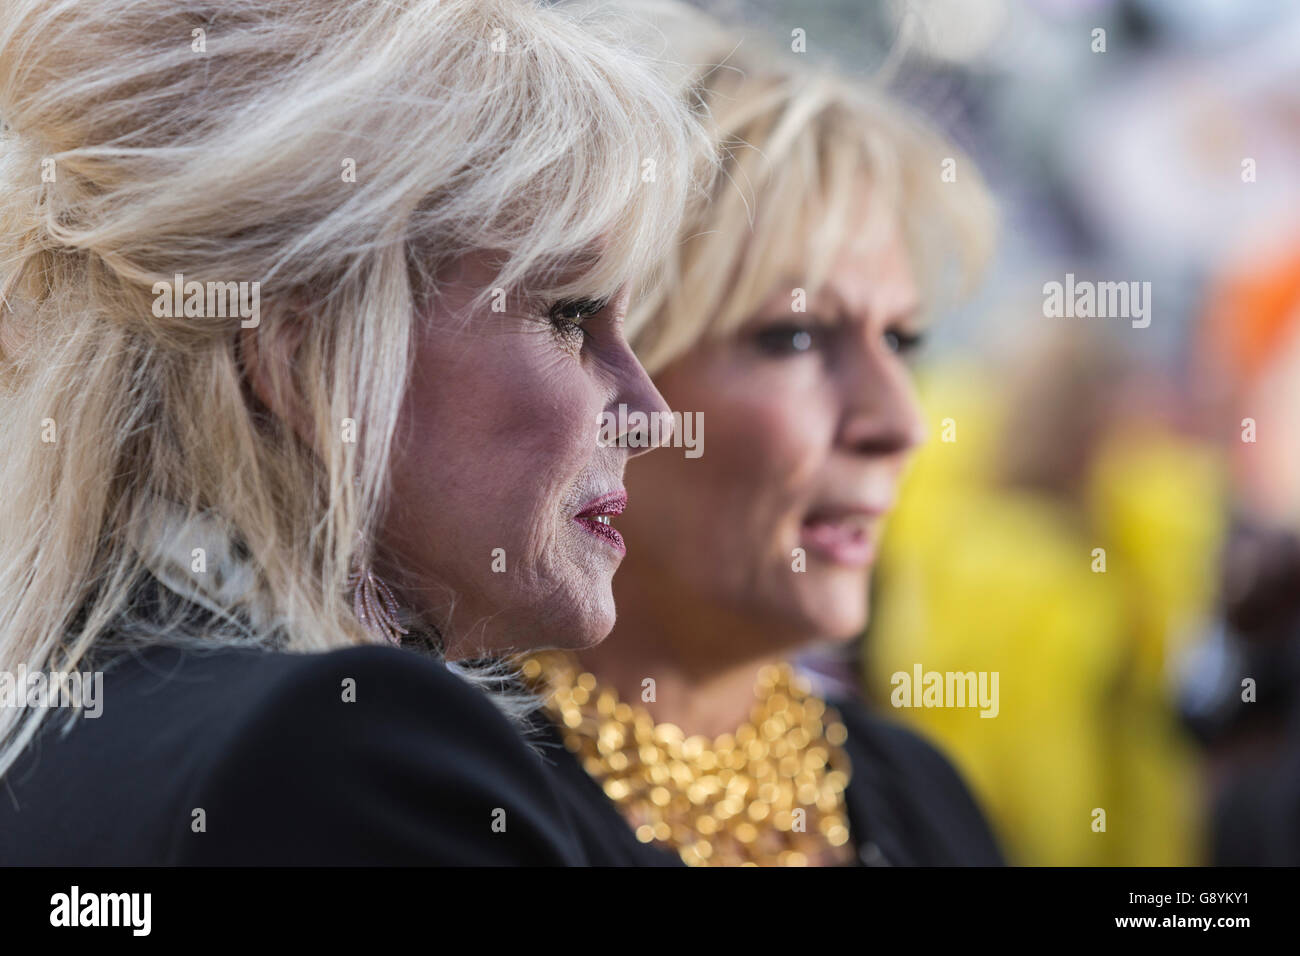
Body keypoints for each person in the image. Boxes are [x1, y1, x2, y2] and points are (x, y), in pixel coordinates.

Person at [0, 0, 704, 864]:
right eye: (568, 316)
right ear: (306, 359)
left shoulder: (69, 725)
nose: (649, 414)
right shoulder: (345, 752)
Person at [521, 3, 1004, 866]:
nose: (899, 426)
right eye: (797, 337)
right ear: (601, 364)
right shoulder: (454, 793)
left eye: (900, 341)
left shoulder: (922, 796)